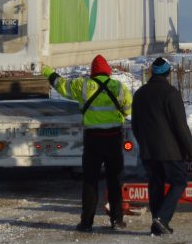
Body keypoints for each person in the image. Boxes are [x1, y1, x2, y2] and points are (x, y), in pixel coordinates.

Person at [42, 55, 132, 233]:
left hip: (93, 140)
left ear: (92, 72)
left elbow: (61, 86)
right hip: (113, 139)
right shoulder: (118, 87)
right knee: (115, 181)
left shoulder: (83, 86)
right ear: (107, 71)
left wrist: (48, 72)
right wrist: (120, 116)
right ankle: (117, 220)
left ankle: (86, 222)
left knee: (90, 181)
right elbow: (128, 107)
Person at [130, 56, 192, 237]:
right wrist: (190, 149)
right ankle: (162, 218)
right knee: (179, 181)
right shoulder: (171, 93)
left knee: (155, 184)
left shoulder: (140, 93)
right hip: (170, 150)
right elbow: (180, 125)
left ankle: (157, 224)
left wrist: (143, 142)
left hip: (148, 151)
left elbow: (135, 125)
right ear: (168, 72)